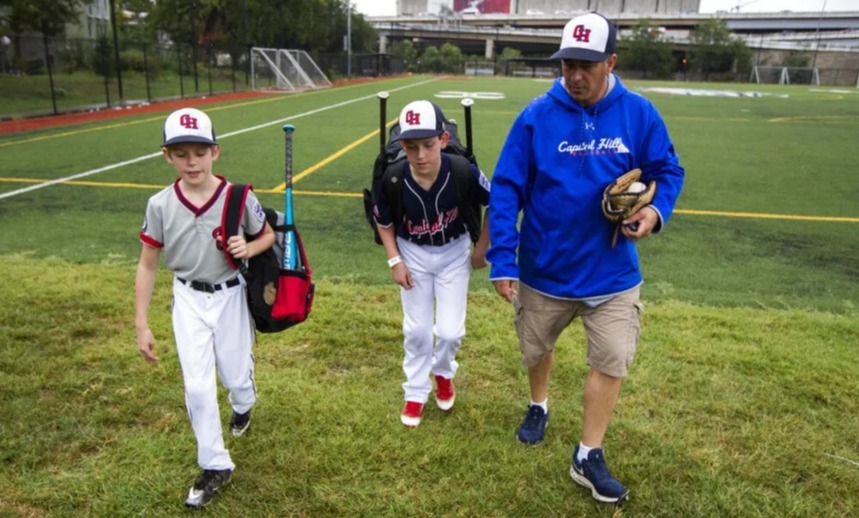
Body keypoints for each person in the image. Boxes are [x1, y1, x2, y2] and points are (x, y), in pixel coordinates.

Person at [486, 12, 685, 504]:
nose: (575, 75)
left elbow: (668, 169)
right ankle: (539, 404)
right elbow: (507, 187)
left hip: (612, 272)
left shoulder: (638, 113)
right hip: (544, 268)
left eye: (587, 65)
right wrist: (503, 259)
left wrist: (654, 212)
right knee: (536, 349)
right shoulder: (536, 115)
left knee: (612, 358)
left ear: (610, 62)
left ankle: (587, 454)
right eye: (568, 64)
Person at [134, 107, 275, 508]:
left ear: (216, 151)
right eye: (181, 153)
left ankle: (243, 402)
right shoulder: (160, 204)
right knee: (197, 386)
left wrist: (248, 247)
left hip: (230, 295)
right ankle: (215, 463)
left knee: (233, 377)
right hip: (188, 299)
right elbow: (147, 264)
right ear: (167, 156)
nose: (191, 161)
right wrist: (141, 323)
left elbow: (265, 235)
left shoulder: (238, 196)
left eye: (199, 151)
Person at [373, 100, 491, 428]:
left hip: (454, 252)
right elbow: (382, 220)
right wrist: (394, 260)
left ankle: (442, 371)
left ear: (442, 139)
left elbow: (497, 202)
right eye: (411, 147)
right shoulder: (394, 177)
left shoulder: (462, 170)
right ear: (402, 146)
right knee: (417, 329)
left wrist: (482, 248)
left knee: (450, 332)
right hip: (413, 253)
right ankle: (414, 391)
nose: (420, 155)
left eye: (427, 145)